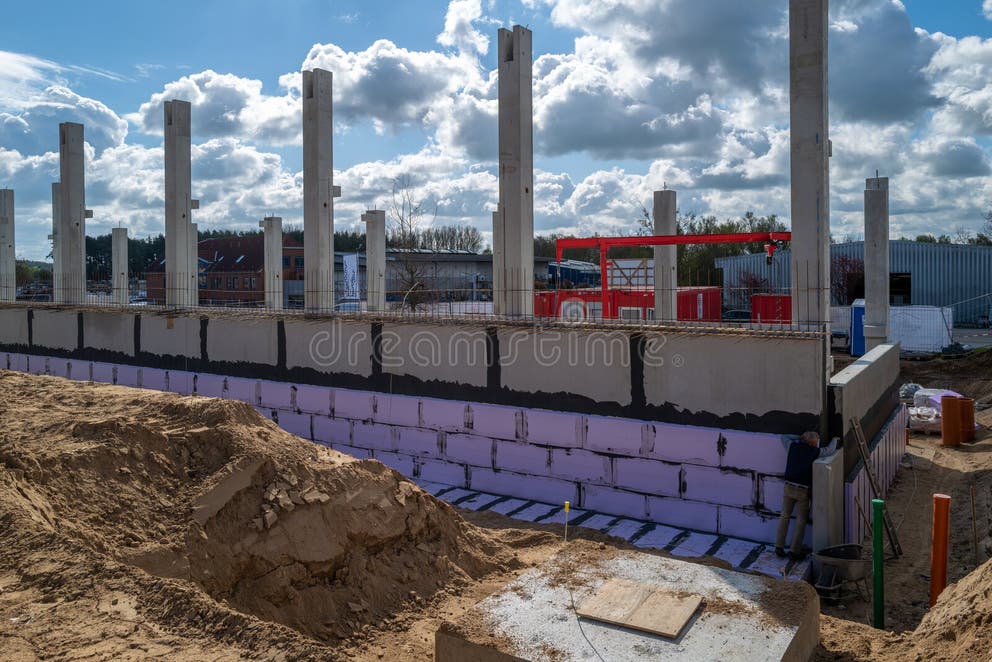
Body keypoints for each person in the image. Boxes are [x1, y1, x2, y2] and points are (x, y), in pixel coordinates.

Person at [775, 431, 837, 560]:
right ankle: (794, 551)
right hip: (803, 490)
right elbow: (830, 450)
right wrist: (835, 439)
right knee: (801, 520)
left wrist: (799, 436)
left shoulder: (792, 446)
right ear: (813, 443)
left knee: (784, 515)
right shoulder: (815, 452)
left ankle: (779, 547)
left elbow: (784, 436)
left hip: (788, 486)